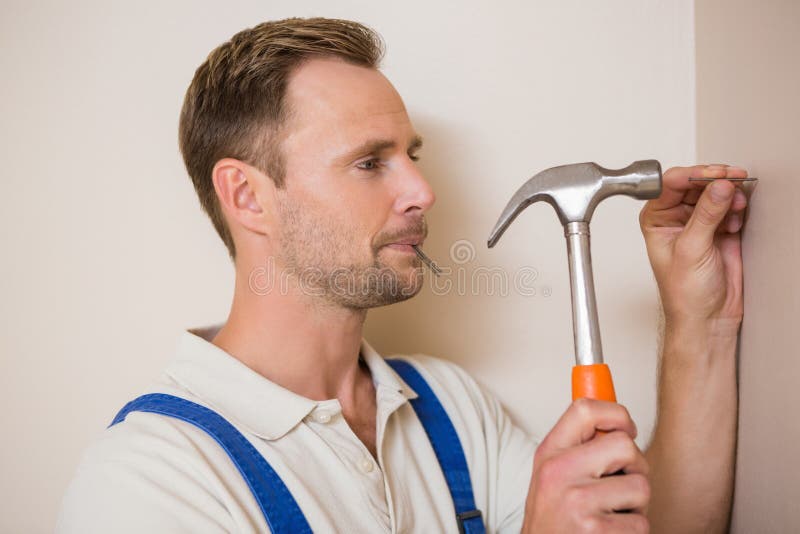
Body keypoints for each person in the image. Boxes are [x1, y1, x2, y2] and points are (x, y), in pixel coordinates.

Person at [56, 17, 751, 534]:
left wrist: (701, 323)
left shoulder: (448, 407)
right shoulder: (150, 483)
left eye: (410, 155)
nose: (422, 190)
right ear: (247, 196)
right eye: (370, 162)